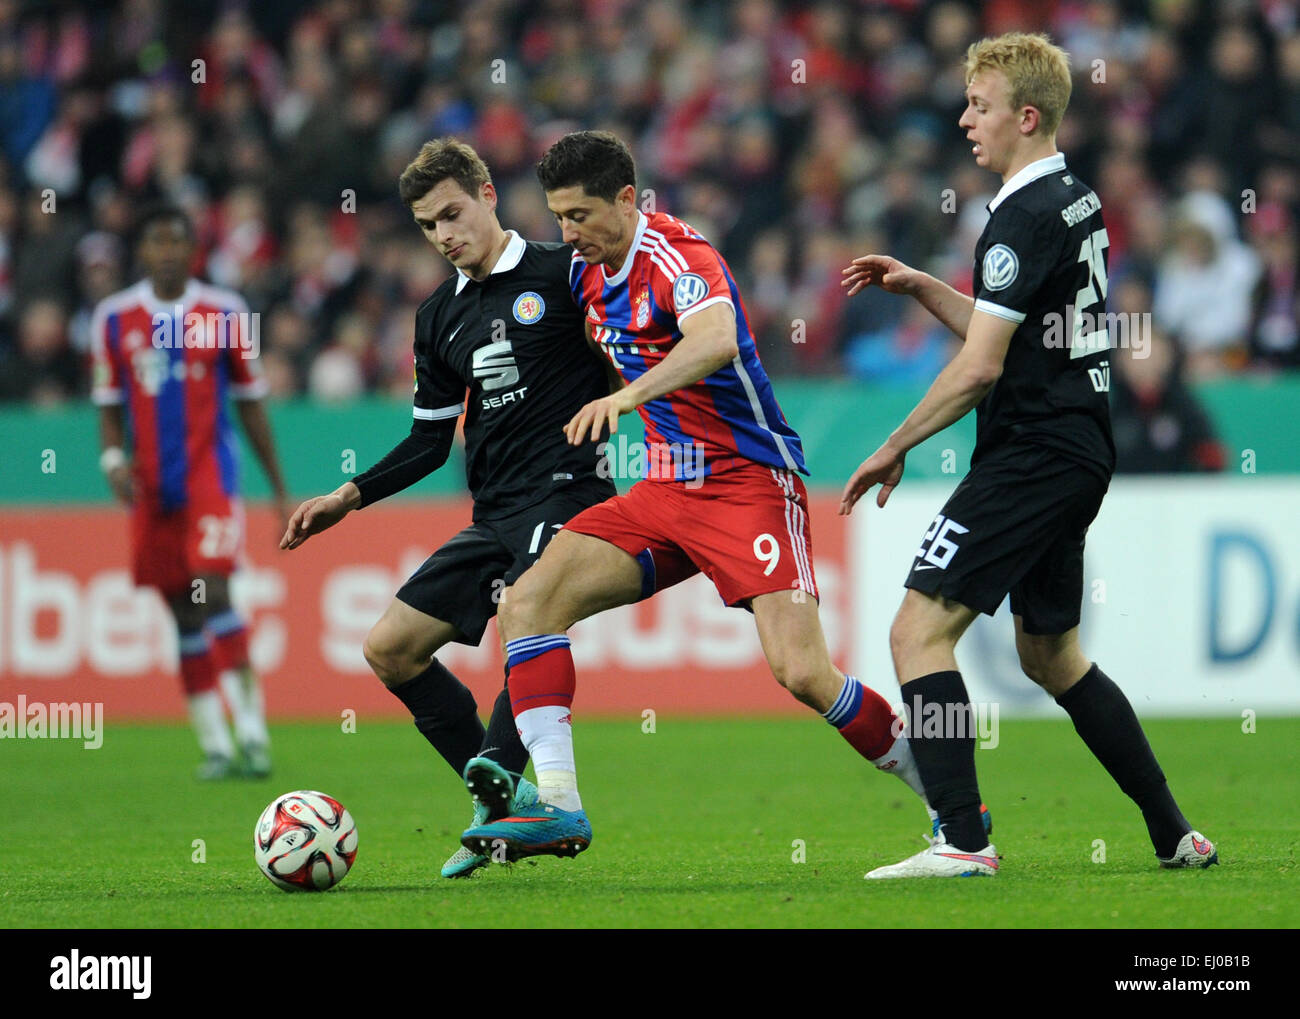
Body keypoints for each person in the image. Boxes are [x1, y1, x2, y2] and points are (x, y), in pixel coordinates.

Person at [461, 130, 956, 862]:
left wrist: (626, 398)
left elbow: (716, 339)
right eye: (559, 217)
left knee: (801, 671)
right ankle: (558, 804)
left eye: (582, 215)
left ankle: (952, 804)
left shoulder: (677, 257)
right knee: (526, 601)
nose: (570, 233)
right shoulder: (581, 272)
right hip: (665, 488)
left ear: (627, 199)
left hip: (748, 482)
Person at [838, 32, 1217, 877]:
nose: (966, 118)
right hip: (1076, 444)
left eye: (981, 105)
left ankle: (964, 840)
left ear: (1028, 115)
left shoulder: (1018, 215)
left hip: (1034, 450)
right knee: (1050, 653)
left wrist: (892, 445)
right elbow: (1015, 330)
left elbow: (981, 366)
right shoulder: (1075, 200)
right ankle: (1174, 831)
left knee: (916, 633)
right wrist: (928, 287)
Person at [280, 138, 660, 878]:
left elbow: (630, 348)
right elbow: (427, 442)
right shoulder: (436, 318)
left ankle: (509, 790)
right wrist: (345, 497)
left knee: (529, 609)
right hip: (493, 513)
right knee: (389, 648)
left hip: (569, 492)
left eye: (453, 213)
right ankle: (498, 798)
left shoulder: (564, 272)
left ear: (487, 194)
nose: (444, 234)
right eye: (428, 225)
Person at [92, 204, 288, 780]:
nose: (168, 251)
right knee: (179, 609)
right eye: (157, 241)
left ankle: (252, 733)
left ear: (192, 249)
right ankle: (215, 743)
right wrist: (111, 458)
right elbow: (107, 406)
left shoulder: (225, 311)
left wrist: (278, 488)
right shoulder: (113, 318)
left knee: (214, 591)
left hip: (210, 482)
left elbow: (251, 402)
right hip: (151, 489)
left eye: (178, 241)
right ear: (143, 250)